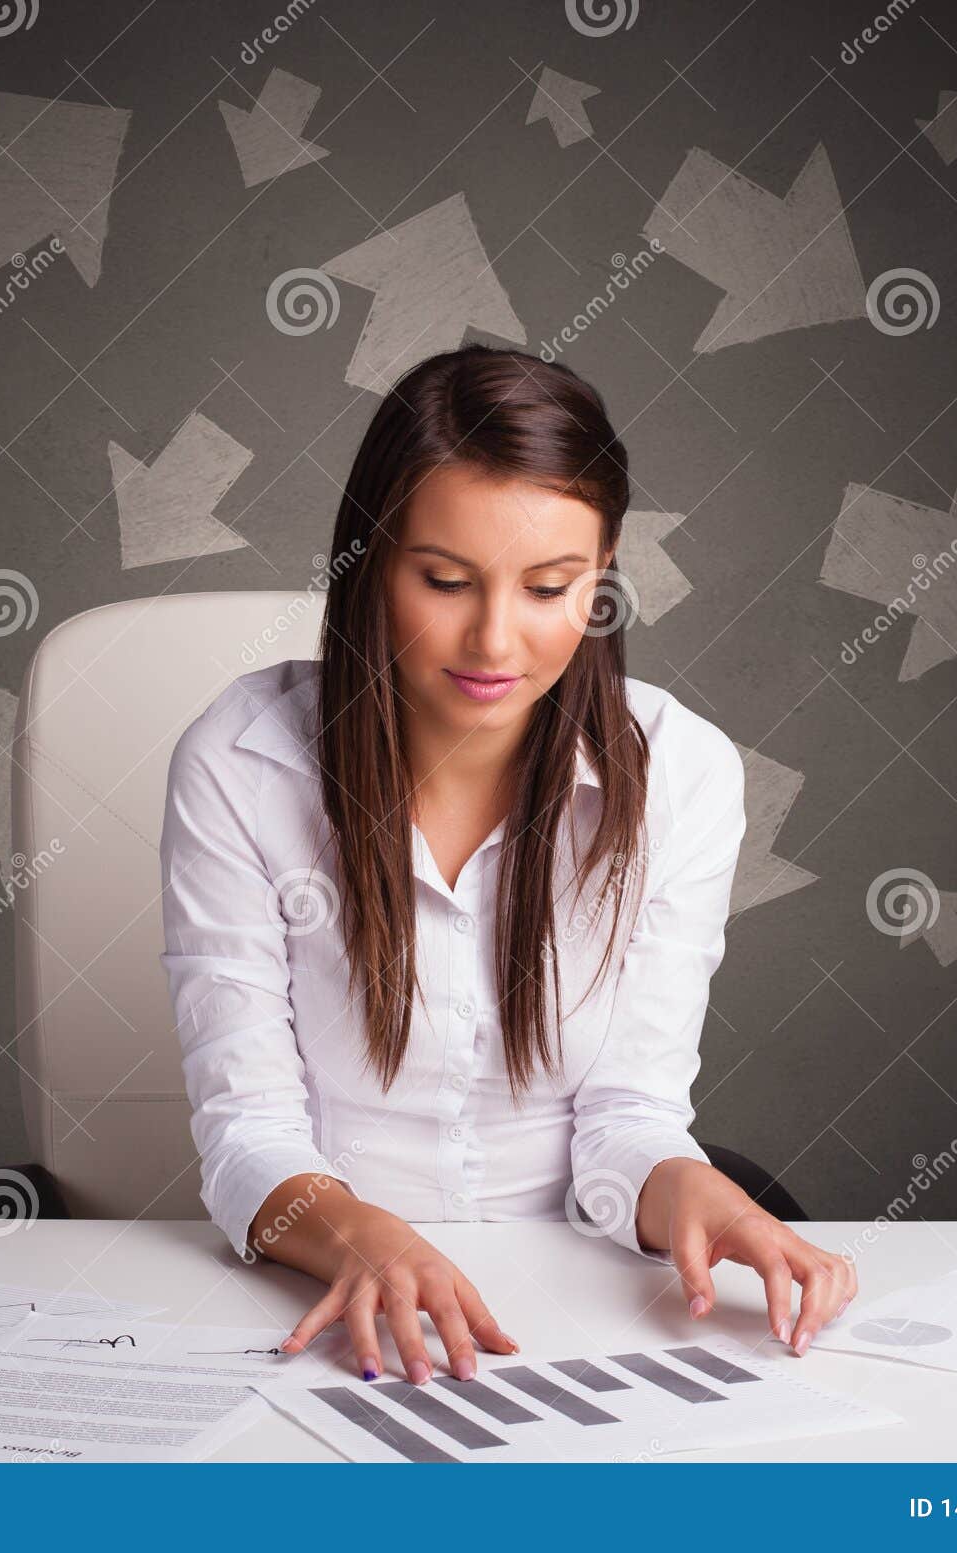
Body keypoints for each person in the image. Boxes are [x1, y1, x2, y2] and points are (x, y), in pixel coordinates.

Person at [159, 345, 856, 1386]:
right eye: (443, 580)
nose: (494, 639)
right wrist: (363, 1234)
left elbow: (627, 1114)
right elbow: (246, 1124)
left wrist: (688, 1188)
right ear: (368, 562)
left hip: (584, 1295)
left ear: (603, 576)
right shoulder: (241, 760)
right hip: (326, 1284)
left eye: (547, 586)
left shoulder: (683, 774)